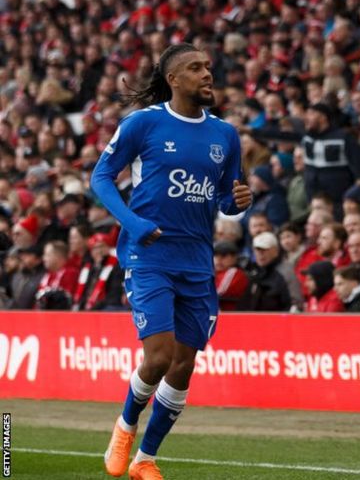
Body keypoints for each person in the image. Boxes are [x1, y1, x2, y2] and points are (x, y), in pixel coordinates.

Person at [91, 44, 252, 479]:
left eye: (208, 67)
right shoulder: (143, 124)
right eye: (195, 68)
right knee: (159, 356)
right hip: (150, 256)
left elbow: (224, 198)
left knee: (184, 364)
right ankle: (124, 427)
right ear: (173, 79)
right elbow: (101, 176)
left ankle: (145, 459)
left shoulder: (225, 135)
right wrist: (132, 221)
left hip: (198, 261)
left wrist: (237, 202)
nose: (207, 74)